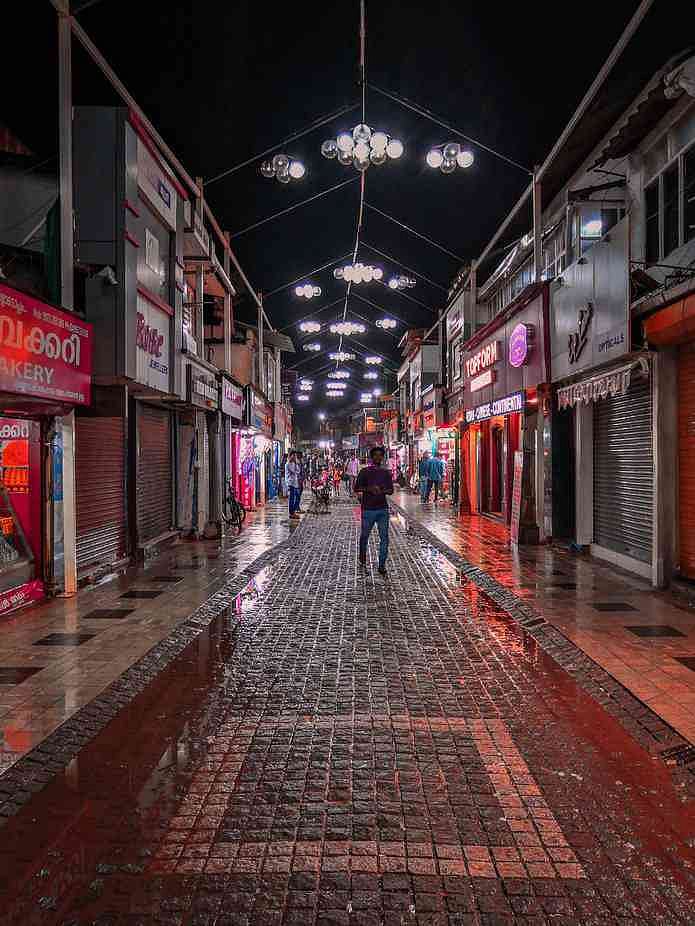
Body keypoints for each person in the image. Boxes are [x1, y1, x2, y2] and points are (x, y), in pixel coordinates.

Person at [354, 445, 393, 576]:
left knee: (384, 538)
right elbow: (357, 487)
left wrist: (381, 490)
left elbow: (391, 490)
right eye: (375, 455)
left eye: (380, 455)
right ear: (372, 457)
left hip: (382, 509)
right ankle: (362, 558)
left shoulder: (386, 473)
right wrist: (370, 489)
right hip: (368, 509)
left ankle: (382, 564)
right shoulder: (364, 472)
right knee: (364, 536)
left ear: (382, 457)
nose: (378, 457)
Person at [285, 451, 301, 520]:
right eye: (293, 456)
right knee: (292, 498)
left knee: (297, 497)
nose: (295, 457)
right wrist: (296, 464)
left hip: (295, 483)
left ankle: (293, 511)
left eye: (295, 456)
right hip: (291, 483)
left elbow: (298, 471)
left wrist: (296, 464)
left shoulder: (294, 463)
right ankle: (291, 513)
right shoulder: (288, 464)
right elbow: (294, 471)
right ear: (290, 456)